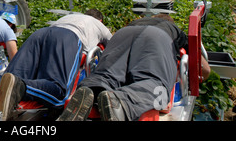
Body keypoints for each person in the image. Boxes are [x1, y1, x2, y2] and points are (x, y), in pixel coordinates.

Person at [0, 9, 112, 120]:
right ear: (100, 20)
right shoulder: (98, 24)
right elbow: (114, 45)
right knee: (59, 93)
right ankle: (19, 87)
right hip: (67, 38)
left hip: (41, 34)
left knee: (8, 78)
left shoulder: (70, 16)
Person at [58, 14, 211, 121]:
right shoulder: (173, 30)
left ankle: (89, 91)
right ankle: (122, 101)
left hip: (122, 34)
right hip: (157, 38)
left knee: (106, 74)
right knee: (155, 83)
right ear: (171, 22)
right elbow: (203, 68)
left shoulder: (135, 23)